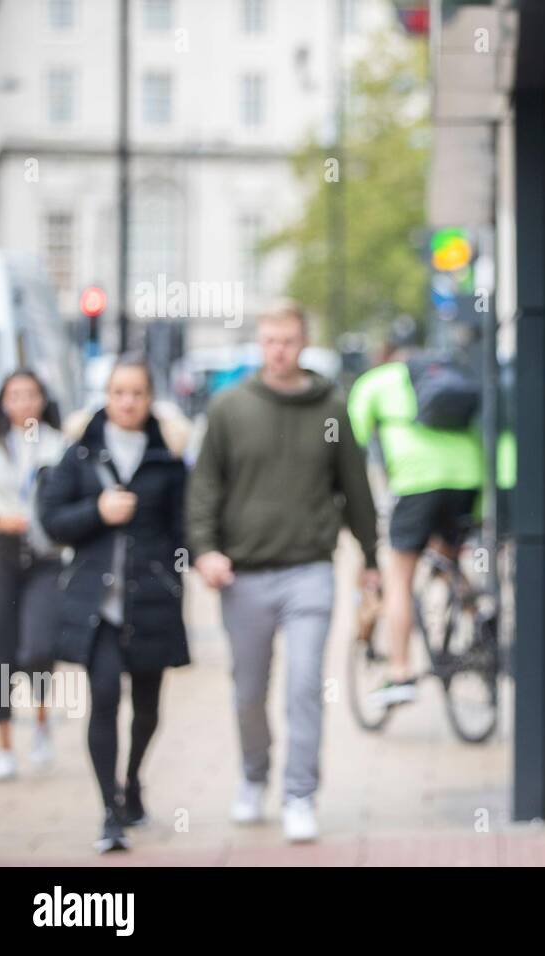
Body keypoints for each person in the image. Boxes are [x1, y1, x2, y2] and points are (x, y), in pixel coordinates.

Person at [187, 303, 379, 844]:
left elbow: (356, 489)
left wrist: (370, 557)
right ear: (259, 343)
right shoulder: (228, 408)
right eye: (270, 340)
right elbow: (204, 488)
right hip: (242, 576)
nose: (279, 350)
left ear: (304, 342)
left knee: (302, 688)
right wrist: (204, 549)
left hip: (309, 572)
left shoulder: (332, 409)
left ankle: (299, 794)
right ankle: (253, 778)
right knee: (249, 691)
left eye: (289, 340)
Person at [37, 357, 190, 853]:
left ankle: (132, 782)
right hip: (96, 606)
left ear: (150, 399)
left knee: (147, 708)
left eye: (137, 393)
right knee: (104, 697)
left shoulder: (167, 463)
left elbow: (184, 529)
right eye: (118, 391)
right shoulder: (79, 455)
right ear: (106, 395)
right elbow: (52, 519)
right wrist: (96, 512)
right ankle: (110, 812)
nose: (126, 401)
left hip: (149, 603)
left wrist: (181, 572)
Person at [348, 324, 483, 707]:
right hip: (467, 479)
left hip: (416, 482)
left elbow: (350, 443)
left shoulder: (375, 381)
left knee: (399, 577)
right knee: (448, 559)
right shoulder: (446, 373)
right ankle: (478, 617)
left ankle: (401, 672)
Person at [0, 370, 67, 781]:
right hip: (0, 552)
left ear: (41, 399)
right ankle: (2, 744)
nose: (23, 403)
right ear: (3, 402)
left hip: (45, 556)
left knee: (38, 646)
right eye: (15, 395)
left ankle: (40, 720)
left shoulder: (59, 445)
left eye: (30, 395)